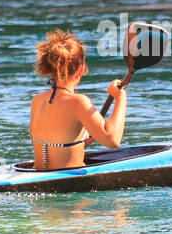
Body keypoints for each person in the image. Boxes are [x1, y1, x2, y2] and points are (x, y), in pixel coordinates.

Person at [30, 30, 126, 170]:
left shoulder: (37, 100)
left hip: (37, 176)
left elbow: (58, 142)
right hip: (67, 184)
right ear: (80, 70)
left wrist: (88, 135)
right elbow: (112, 140)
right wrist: (120, 98)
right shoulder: (79, 102)